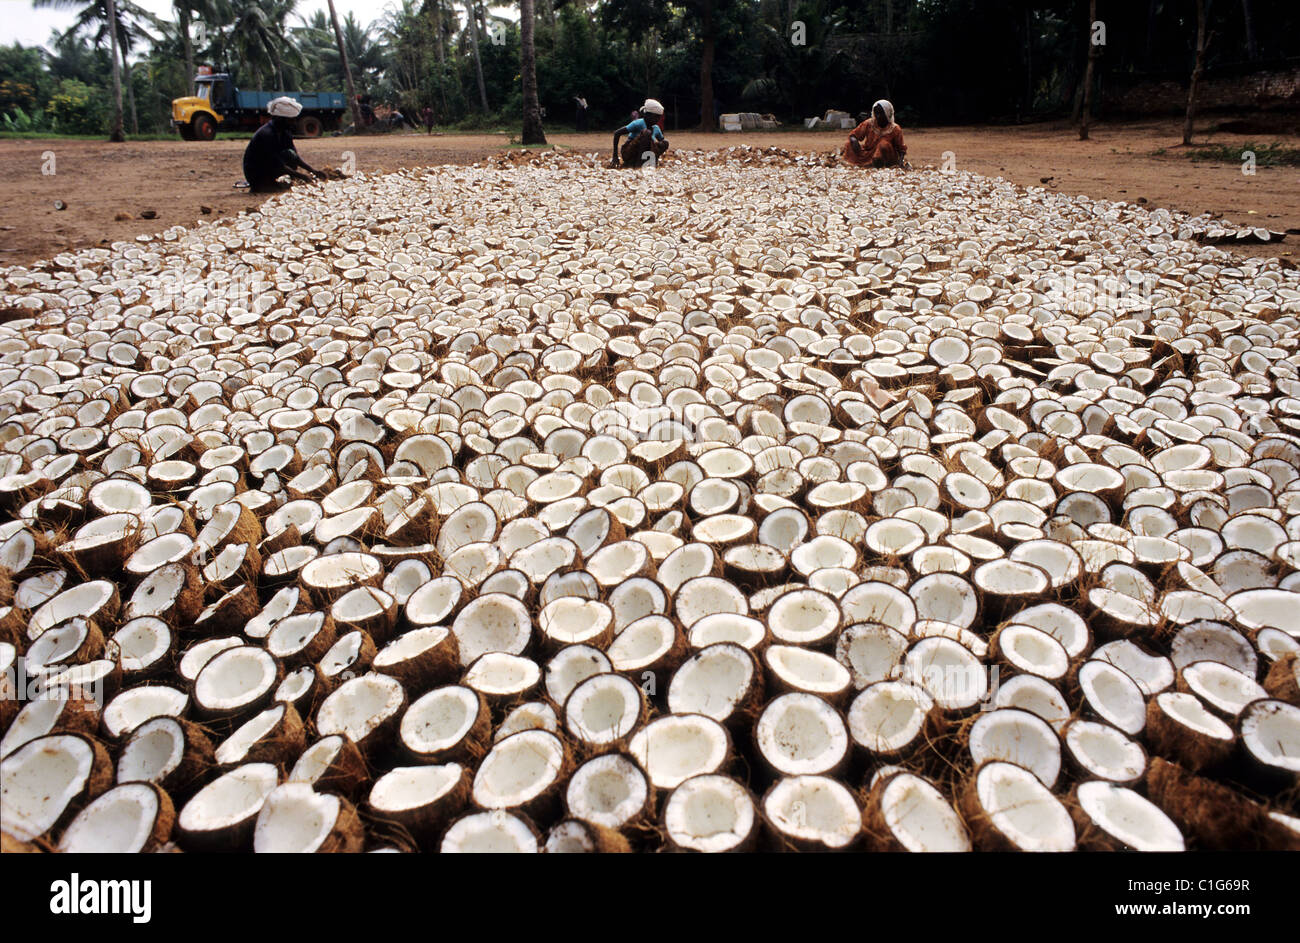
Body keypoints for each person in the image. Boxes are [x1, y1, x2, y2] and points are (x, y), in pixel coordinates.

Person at [242, 97, 321, 192]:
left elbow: (295, 157)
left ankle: (275, 182)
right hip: (257, 172)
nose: (294, 123)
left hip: (272, 166)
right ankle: (262, 184)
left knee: (289, 154)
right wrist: (302, 176)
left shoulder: (285, 132)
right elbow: (277, 163)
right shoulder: (267, 134)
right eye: (291, 120)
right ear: (280, 118)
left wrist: (312, 170)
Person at [843, 99, 909, 169]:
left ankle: (880, 165)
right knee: (849, 143)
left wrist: (900, 162)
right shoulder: (869, 123)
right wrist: (854, 140)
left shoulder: (895, 129)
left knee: (883, 144)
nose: (878, 116)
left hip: (887, 157)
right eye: (876, 113)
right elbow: (854, 134)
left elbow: (901, 149)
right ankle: (862, 163)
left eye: (881, 113)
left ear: (887, 113)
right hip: (868, 153)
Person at [612, 98, 668, 168]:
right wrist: (615, 156)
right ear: (647, 115)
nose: (657, 119)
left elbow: (662, 142)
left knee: (665, 142)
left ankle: (650, 162)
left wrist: (657, 151)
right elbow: (617, 133)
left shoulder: (656, 128)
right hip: (630, 153)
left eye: (658, 117)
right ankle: (638, 166)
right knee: (647, 133)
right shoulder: (638, 123)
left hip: (646, 154)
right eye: (655, 117)